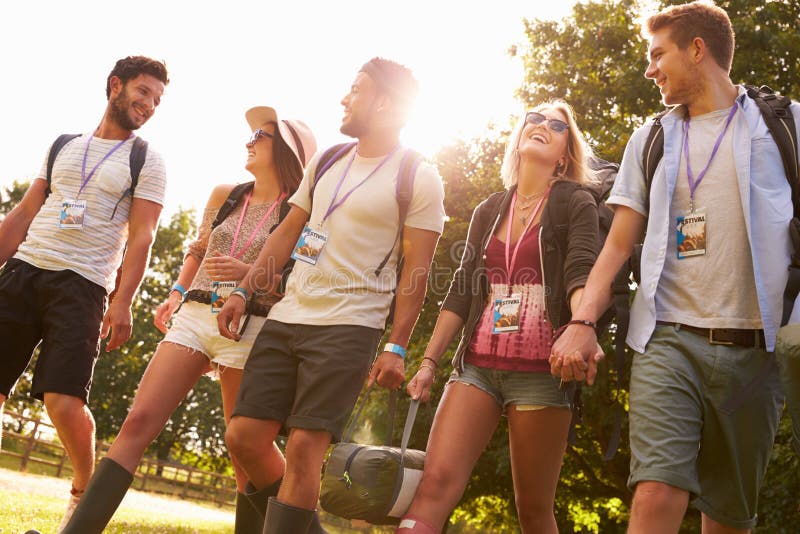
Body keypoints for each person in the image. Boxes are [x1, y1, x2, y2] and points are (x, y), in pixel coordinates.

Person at [549, 1, 800, 532]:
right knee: (656, 491)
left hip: (758, 351)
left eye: (658, 54)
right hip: (670, 341)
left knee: (728, 517)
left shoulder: (786, 126)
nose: (650, 69)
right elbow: (616, 247)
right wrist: (581, 322)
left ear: (698, 49)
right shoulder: (652, 139)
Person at [59, 107, 317, 533]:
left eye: (260, 135)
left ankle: (298, 526)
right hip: (194, 316)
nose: (248, 140)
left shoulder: (300, 213)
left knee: (244, 456)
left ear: (288, 150)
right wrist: (176, 292)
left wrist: (249, 276)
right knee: (138, 422)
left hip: (248, 329)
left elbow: (300, 281)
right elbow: (197, 250)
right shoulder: (226, 194)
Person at [216, 57, 446, 533]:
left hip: (349, 326)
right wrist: (244, 289)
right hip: (289, 315)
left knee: (304, 450)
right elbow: (287, 233)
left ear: (384, 102)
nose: (345, 97)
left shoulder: (418, 175)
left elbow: (415, 272)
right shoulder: (328, 159)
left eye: (356, 89)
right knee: (244, 436)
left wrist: (397, 345)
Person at [397, 101, 599, 534]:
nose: (543, 125)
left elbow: (581, 271)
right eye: (535, 118)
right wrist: (430, 362)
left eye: (557, 125)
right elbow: (462, 289)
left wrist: (583, 325)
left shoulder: (574, 202)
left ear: (565, 153)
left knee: (532, 510)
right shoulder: (490, 208)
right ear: (520, 136)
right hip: (476, 369)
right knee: (431, 488)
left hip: (543, 373)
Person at [0, 55, 169, 530]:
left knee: (62, 402)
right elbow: (24, 212)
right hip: (25, 270)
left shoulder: (147, 160)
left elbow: (143, 237)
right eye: (142, 92)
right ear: (115, 86)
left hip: (83, 285)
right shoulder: (63, 146)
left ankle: (81, 491)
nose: (149, 104)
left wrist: (123, 301)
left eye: (156, 98)